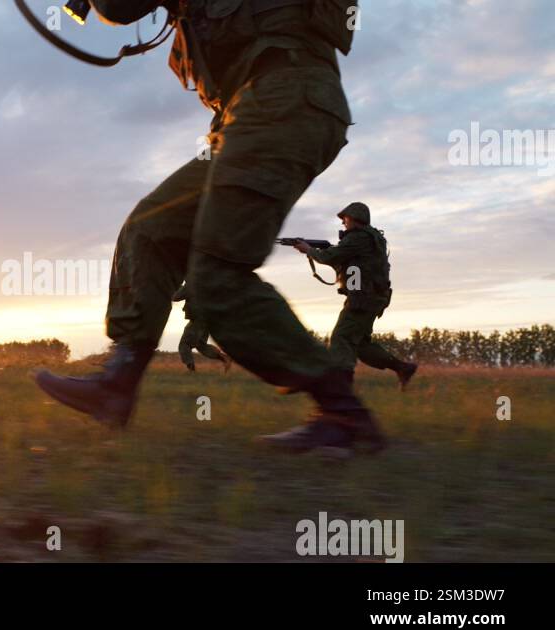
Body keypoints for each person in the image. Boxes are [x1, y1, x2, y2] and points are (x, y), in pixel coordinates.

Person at [34, 0, 385, 454]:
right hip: (244, 112)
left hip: (289, 95)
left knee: (215, 279)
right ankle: (117, 383)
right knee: (151, 228)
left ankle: (345, 415)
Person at [293, 202, 418, 389]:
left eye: (346, 219)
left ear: (355, 219)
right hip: (372, 297)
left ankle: (341, 388)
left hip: (363, 299)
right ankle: (402, 368)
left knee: (341, 338)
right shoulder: (371, 238)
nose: (343, 222)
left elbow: (330, 257)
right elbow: (347, 263)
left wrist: (308, 250)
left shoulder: (358, 238)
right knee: (360, 344)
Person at [173, 284, 232, 372]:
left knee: (184, 344)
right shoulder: (204, 282)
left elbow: (176, 297)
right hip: (206, 319)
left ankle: (191, 370)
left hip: (198, 320)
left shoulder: (191, 284)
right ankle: (224, 358)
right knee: (200, 345)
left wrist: (174, 286)